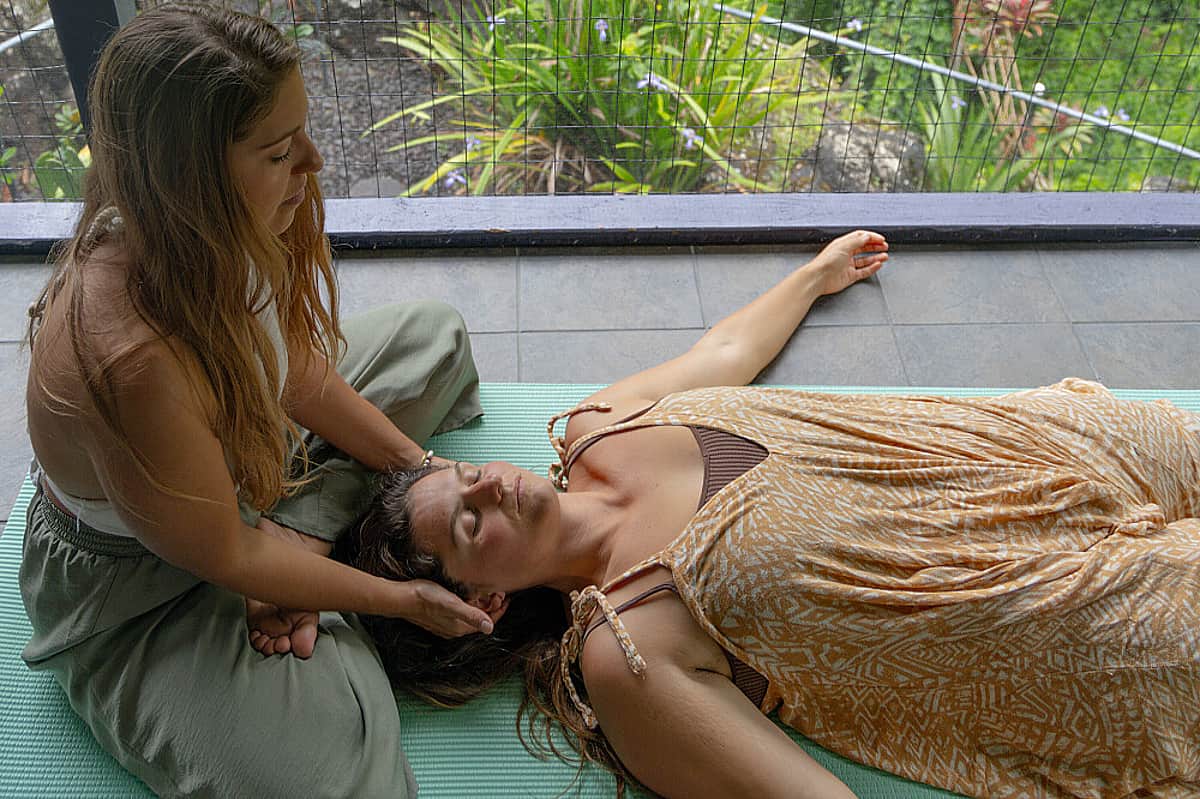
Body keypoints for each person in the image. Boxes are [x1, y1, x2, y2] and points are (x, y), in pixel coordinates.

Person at [343, 229, 1200, 799]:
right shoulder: (627, 647)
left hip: (1038, 450)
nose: (490, 487)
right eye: (468, 524)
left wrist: (814, 276)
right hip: (1066, 614)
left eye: (466, 476)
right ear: (484, 601)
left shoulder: (597, 426)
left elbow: (723, 353)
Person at [20, 5, 498, 797]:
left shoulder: (223, 228)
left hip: (234, 473)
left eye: (300, 133)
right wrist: (402, 600)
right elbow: (228, 555)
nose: (314, 160)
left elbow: (294, 373)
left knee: (432, 341)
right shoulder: (132, 360)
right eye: (279, 152)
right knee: (341, 777)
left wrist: (423, 468)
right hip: (144, 581)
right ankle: (299, 585)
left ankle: (298, 544)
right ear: (191, 181)